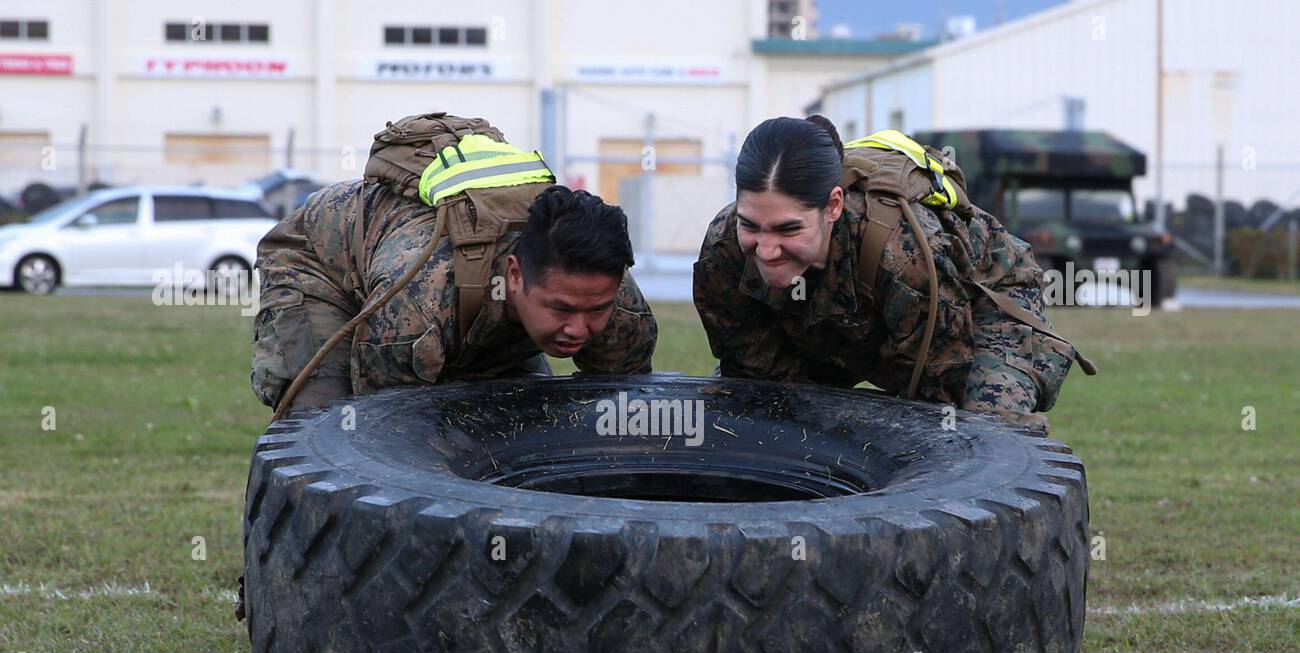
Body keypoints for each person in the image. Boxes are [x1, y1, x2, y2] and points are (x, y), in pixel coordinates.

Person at [692, 115, 1093, 431]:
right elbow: (753, 370)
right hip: (842, 318)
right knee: (757, 411)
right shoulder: (723, 251)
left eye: (787, 229)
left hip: (979, 307)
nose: (765, 249)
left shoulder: (902, 254)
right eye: (751, 225)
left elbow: (938, 386)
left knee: (975, 427)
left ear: (833, 206)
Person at [251, 116, 657, 415]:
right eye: (561, 309)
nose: (578, 330)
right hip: (323, 263)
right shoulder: (420, 299)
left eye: (595, 311)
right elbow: (382, 429)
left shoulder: (614, 300)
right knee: (327, 422)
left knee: (525, 418)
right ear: (515, 276)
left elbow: (622, 416)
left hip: (464, 301)